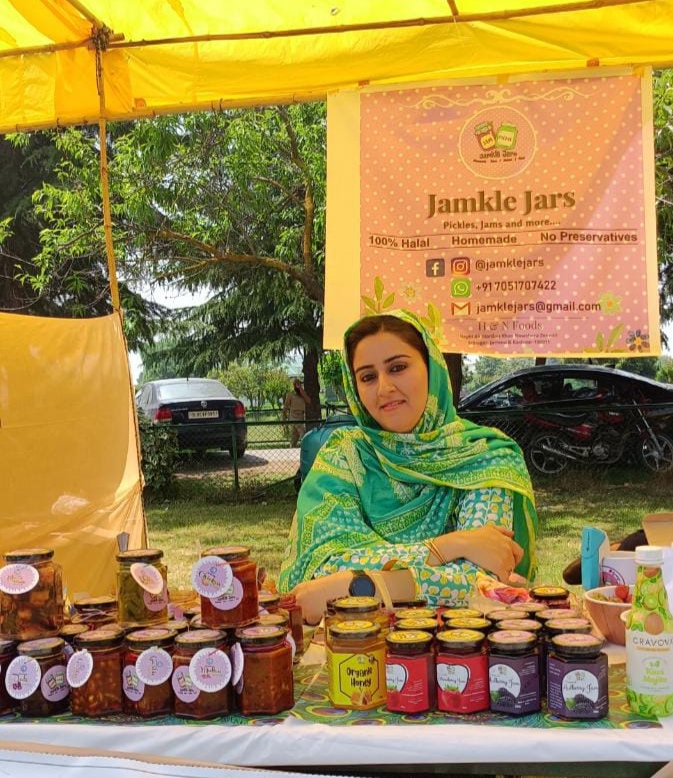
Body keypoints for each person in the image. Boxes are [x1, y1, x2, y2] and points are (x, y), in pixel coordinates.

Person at [278, 309, 538, 623]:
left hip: (461, 656)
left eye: (398, 367)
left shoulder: (484, 455)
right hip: (353, 653)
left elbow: (485, 581)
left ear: (430, 367)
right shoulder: (344, 456)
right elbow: (317, 571)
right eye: (367, 376)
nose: (383, 388)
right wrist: (449, 545)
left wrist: (361, 586)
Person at [282, 378, 311, 447]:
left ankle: (291, 450)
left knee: (294, 437)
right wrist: (284, 417)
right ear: (294, 385)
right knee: (302, 432)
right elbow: (285, 406)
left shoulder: (302, 394)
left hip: (301, 417)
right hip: (293, 417)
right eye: (297, 384)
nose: (299, 385)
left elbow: (308, 401)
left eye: (300, 384)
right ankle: (305, 448)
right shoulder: (290, 394)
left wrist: (301, 389)